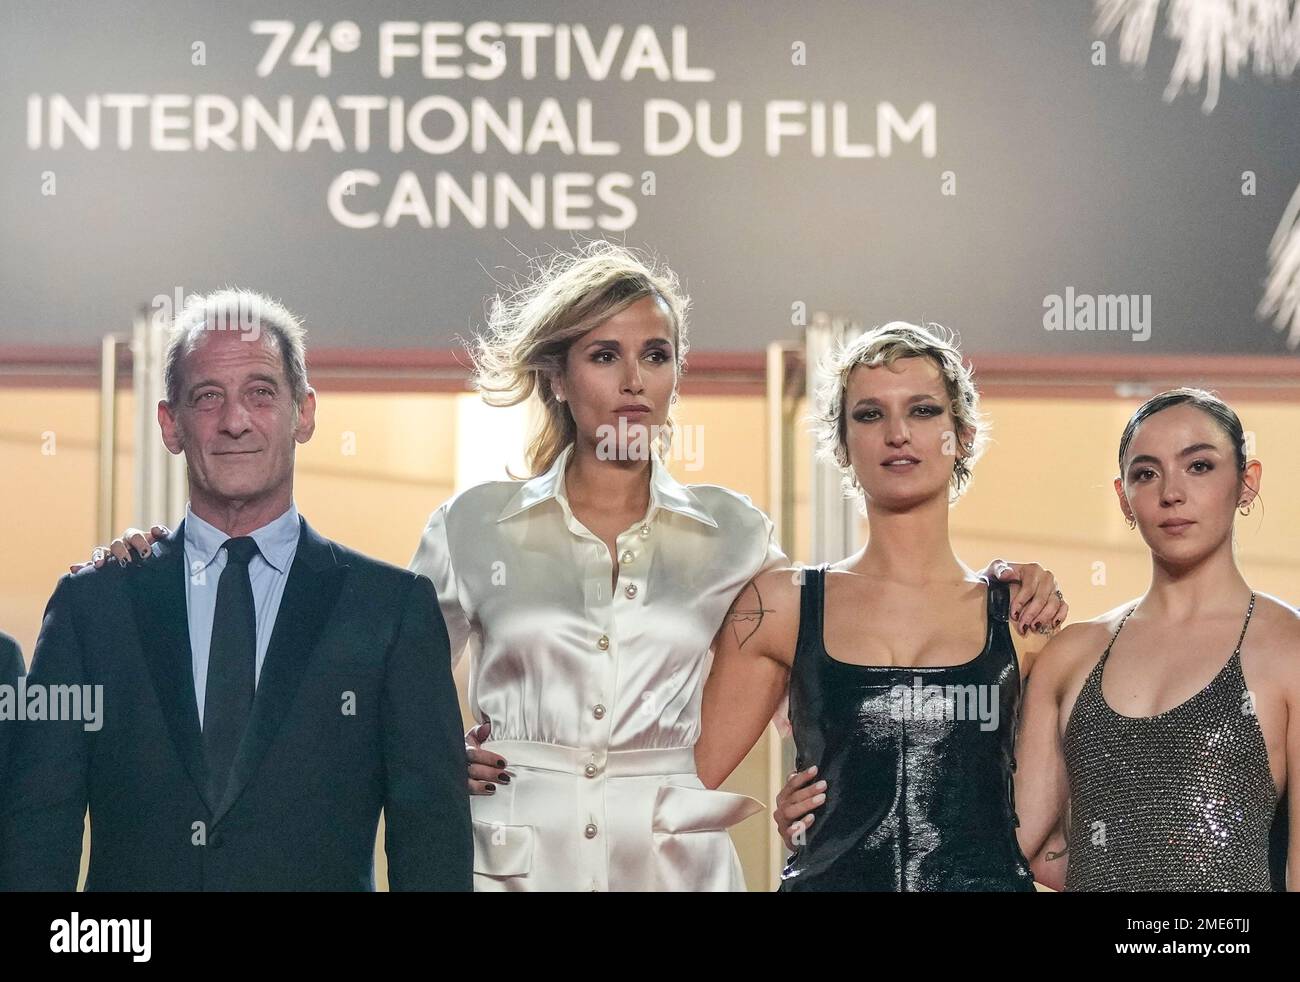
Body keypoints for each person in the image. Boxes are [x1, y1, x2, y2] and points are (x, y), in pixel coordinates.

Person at [0, 290, 471, 891]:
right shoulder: (92, 607)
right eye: (207, 397)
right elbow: (38, 833)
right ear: (171, 425)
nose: (234, 420)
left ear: (304, 413)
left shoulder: (391, 611)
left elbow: (431, 838)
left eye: (261, 392)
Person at [696, 322, 1066, 891]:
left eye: (922, 411)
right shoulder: (779, 607)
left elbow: (1063, 835)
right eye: (870, 415)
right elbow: (676, 781)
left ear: (961, 435)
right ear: (842, 443)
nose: (898, 433)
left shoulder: (1026, 622)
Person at [1015, 388, 1298, 891]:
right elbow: (1016, 846)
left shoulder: (1289, 648)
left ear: (1246, 482)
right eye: (1147, 473)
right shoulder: (1071, 655)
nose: (1171, 492)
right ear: (1124, 498)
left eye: (1200, 466)